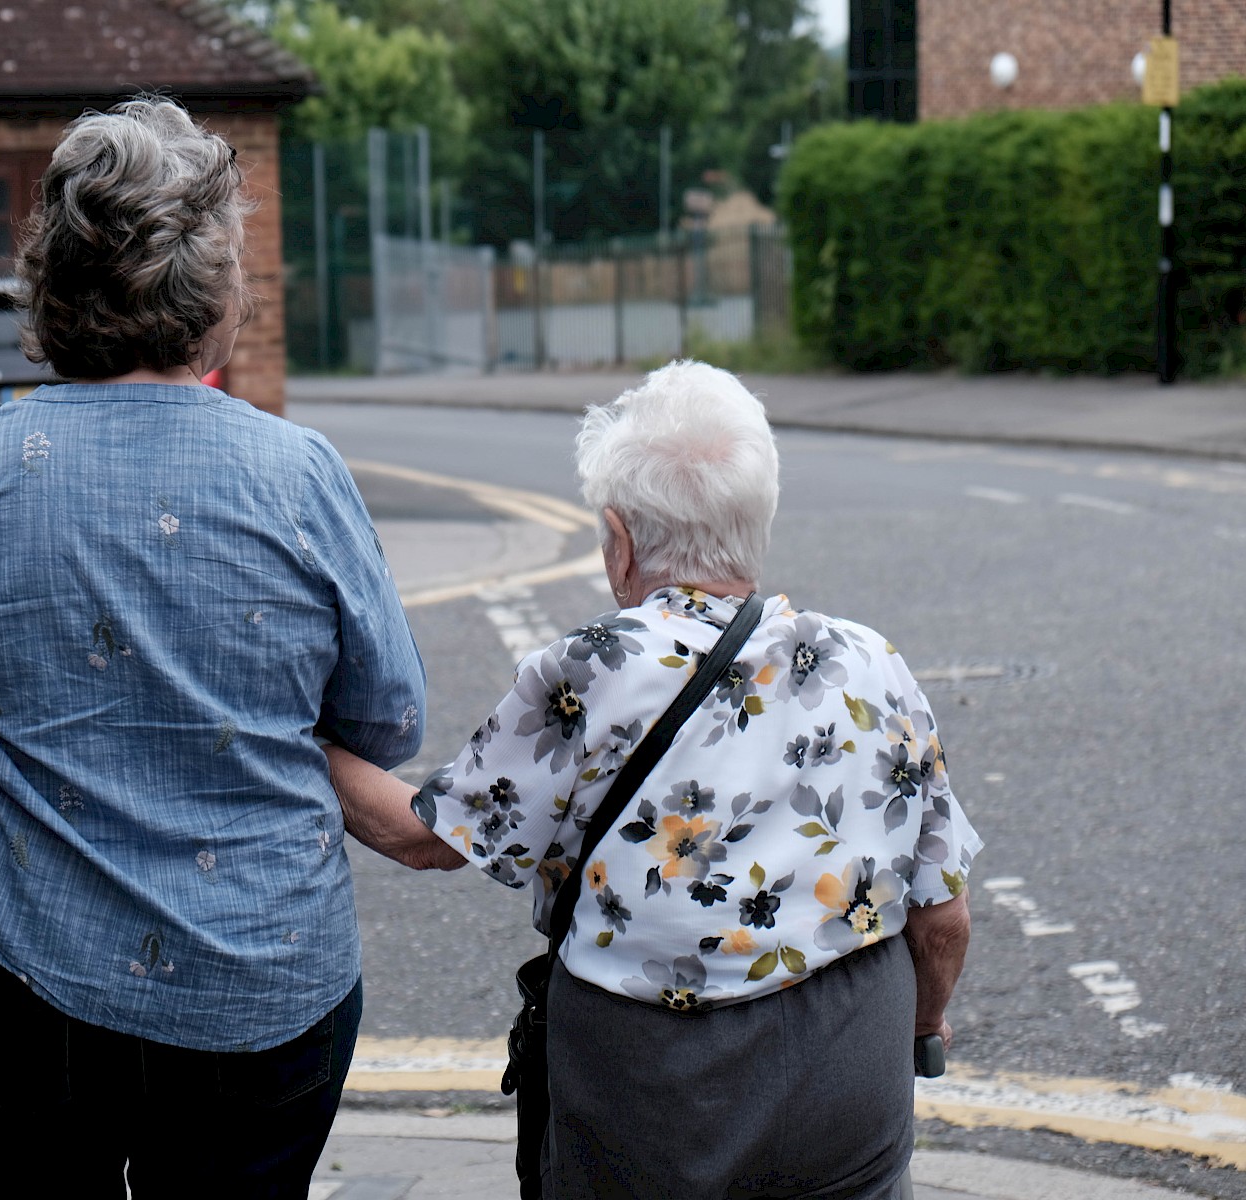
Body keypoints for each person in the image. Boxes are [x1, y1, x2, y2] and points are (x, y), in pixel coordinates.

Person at [0, 97, 425, 1198]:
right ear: (217, 291)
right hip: (267, 989)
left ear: (51, 283)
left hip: (22, 983)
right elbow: (386, 720)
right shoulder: (301, 476)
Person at [328, 361, 980, 1200]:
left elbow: (424, 840)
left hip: (653, 1085)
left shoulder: (594, 665)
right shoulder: (870, 663)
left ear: (619, 538)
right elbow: (944, 917)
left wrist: (301, 742)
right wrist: (923, 1026)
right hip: (846, 1067)